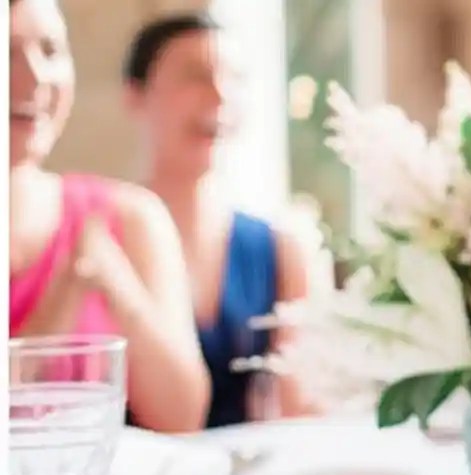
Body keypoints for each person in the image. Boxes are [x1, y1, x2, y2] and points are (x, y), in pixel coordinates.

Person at [9, 0, 210, 432]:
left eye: (50, 51)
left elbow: (182, 419)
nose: (35, 77)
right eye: (5, 52)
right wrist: (61, 301)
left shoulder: (131, 219)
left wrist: (114, 282)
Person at [124, 13, 312, 427]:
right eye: (195, 75)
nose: (220, 93)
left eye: (234, 77)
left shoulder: (278, 247)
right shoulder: (102, 239)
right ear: (135, 95)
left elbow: (299, 405)